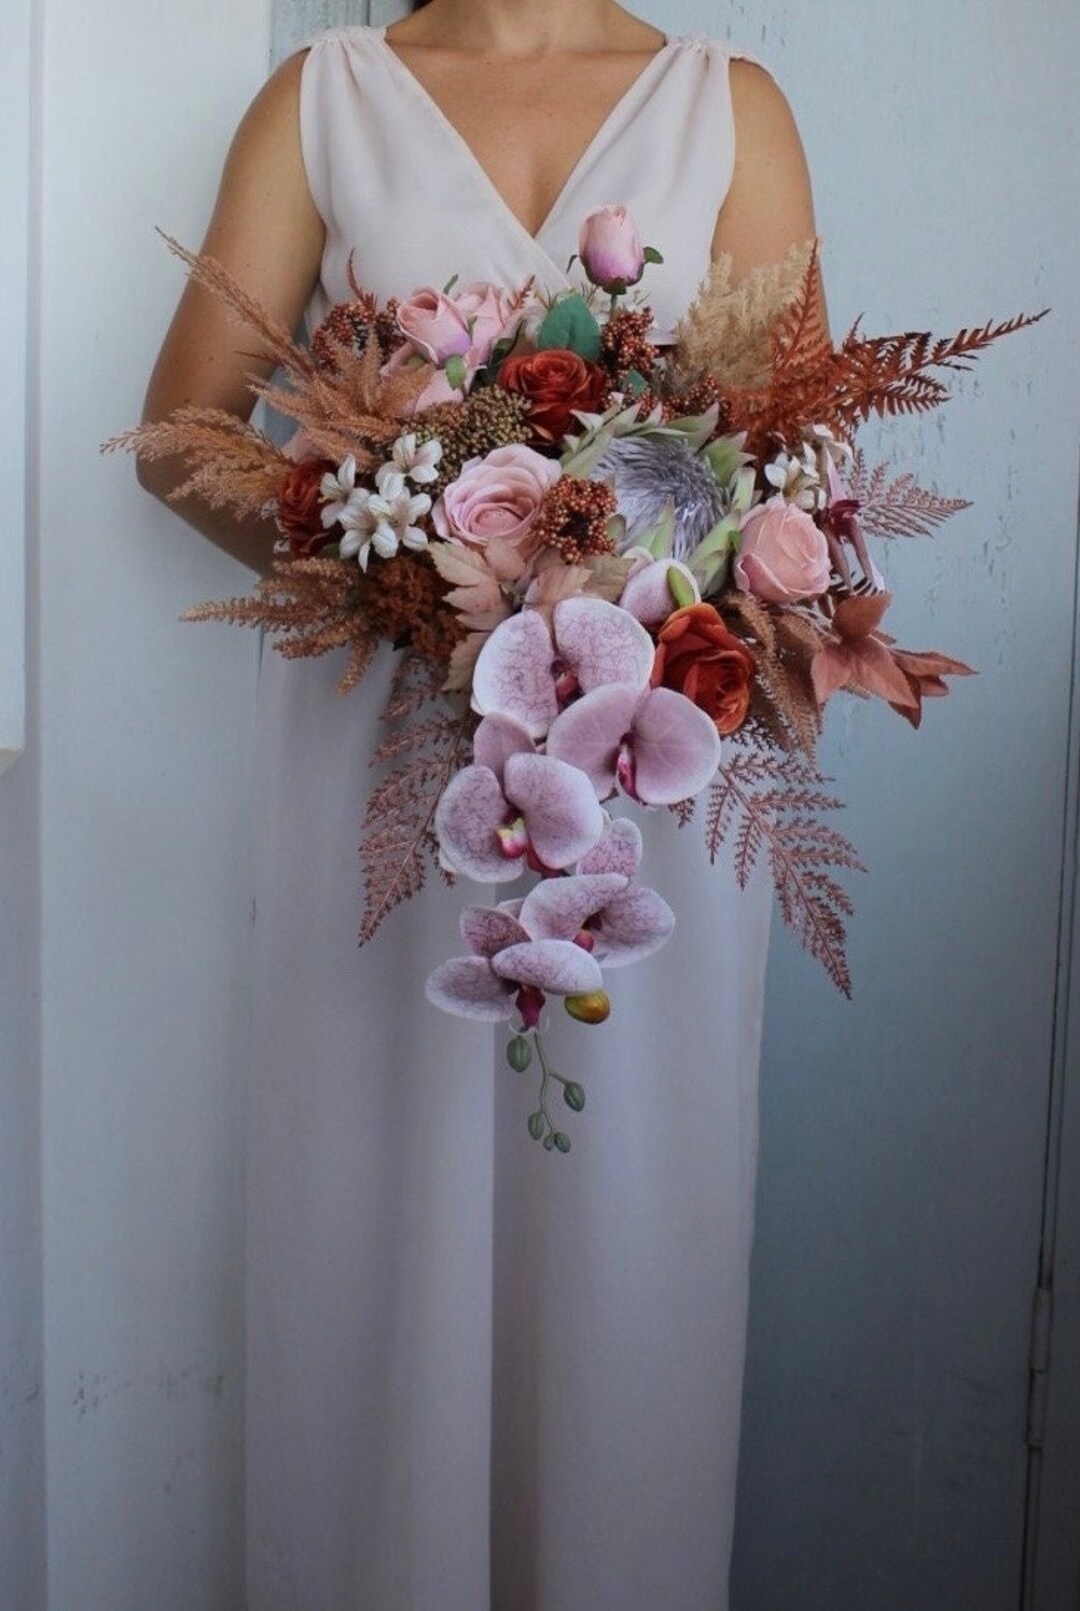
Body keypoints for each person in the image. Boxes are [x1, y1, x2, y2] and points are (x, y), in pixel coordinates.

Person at [137, 3, 826, 1607]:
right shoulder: (327, 101)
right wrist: (401, 587)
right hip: (393, 766)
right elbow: (181, 440)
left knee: (633, 1221)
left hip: (646, 758)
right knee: (379, 1217)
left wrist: (630, 588)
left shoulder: (735, 109)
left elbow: (791, 463)